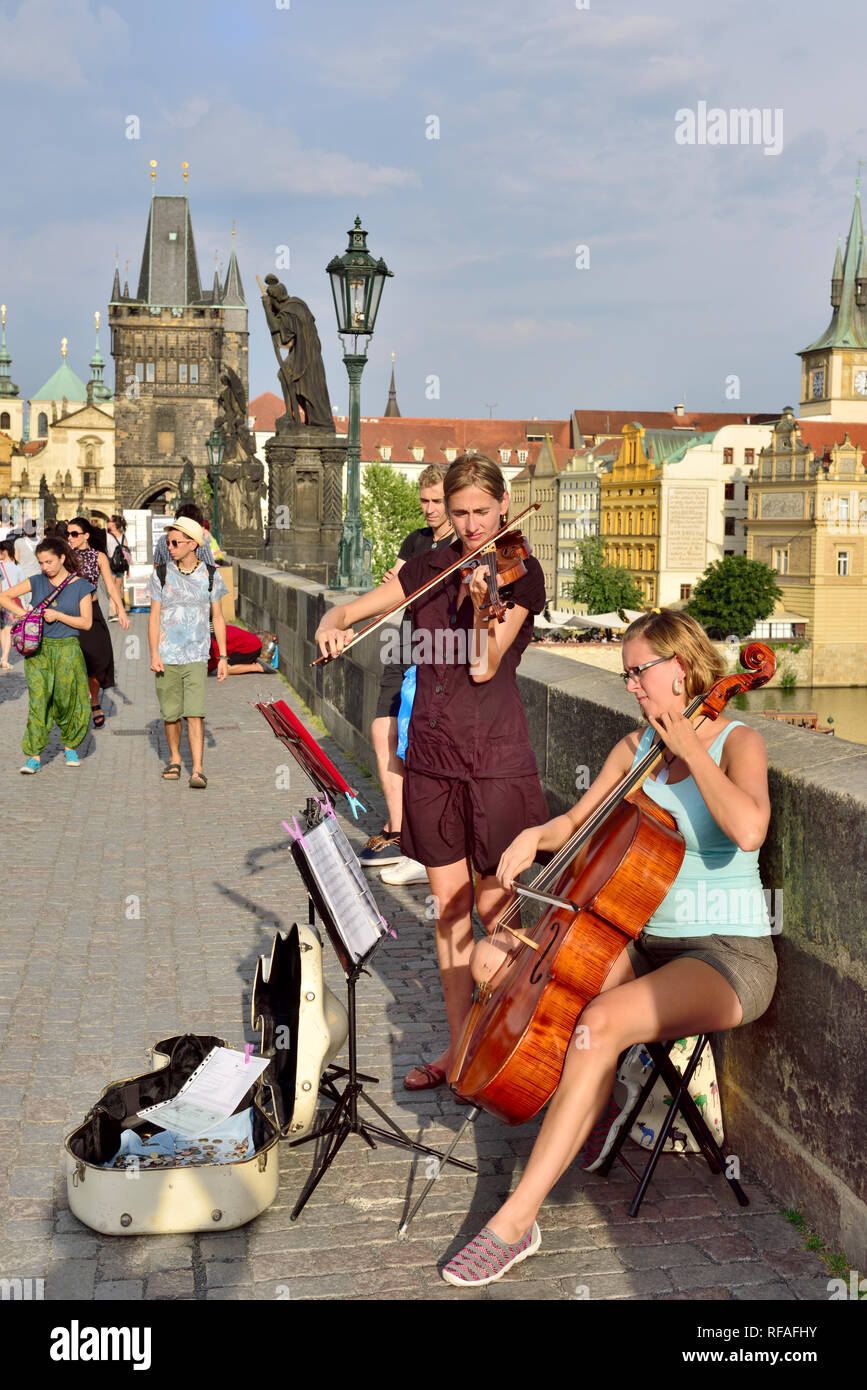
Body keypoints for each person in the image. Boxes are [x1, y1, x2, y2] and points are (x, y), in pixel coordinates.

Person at [439, 608, 778, 1287]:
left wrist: (687, 750)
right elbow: (576, 821)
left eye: (638, 673)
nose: (630, 687)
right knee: (492, 957)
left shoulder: (737, 742)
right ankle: (567, 1097)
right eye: (625, 676)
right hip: (640, 941)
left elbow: (747, 830)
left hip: (725, 955)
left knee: (597, 1024)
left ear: (679, 668)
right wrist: (532, 838)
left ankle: (515, 1219)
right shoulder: (631, 750)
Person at [315, 453, 549, 1092]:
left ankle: (523, 1043)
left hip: (495, 760)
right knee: (448, 910)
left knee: (499, 912)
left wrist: (480, 609)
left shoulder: (518, 575)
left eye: (482, 512)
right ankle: (461, 1048)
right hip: (432, 758)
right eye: (460, 512)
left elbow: (484, 665)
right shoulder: (425, 568)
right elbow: (348, 612)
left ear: (504, 506)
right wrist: (332, 626)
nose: (473, 526)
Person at [358, 463, 456, 886]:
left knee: (416, 737)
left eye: (437, 502)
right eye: (425, 501)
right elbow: (396, 590)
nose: (430, 509)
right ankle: (398, 829)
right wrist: (391, 585)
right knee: (383, 729)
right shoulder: (415, 540)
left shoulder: (461, 546)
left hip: (436, 648)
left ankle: (425, 841)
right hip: (405, 640)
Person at [148, 515, 229, 789]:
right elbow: (153, 617)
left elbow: (217, 617)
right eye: (167, 542)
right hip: (167, 655)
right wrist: (154, 655)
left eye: (174, 542)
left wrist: (224, 657)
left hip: (196, 655)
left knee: (195, 713)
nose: (169, 547)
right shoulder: (160, 574)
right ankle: (174, 759)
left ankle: (198, 768)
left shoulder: (210, 575)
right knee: (171, 714)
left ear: (192, 544)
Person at [0, 537, 93, 771]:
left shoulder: (81, 585)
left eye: (49, 562)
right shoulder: (37, 581)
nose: (45, 567)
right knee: (39, 701)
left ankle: (70, 746)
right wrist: (23, 614)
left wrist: (58, 615)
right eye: (41, 563)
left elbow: (86, 623)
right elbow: (3, 596)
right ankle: (34, 754)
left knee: (66, 700)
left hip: (68, 649)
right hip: (38, 650)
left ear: (62, 558)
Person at [66, 517, 130, 728]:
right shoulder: (65, 556)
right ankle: (82, 703)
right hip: (70, 614)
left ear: (86, 535)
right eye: (68, 534)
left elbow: (111, 587)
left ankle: (94, 699)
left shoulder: (98, 556)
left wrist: (120, 609)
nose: (70, 538)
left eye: (74, 534)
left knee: (97, 659)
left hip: (92, 613)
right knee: (76, 661)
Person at [153, 504, 218, 569]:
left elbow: (157, 564)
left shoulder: (162, 540)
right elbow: (210, 569)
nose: (170, 547)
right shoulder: (202, 542)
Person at [207, 623, 277, 676]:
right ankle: (250, 662)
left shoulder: (212, 644)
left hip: (249, 648)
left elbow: (218, 660)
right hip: (247, 644)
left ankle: (257, 667)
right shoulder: (212, 631)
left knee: (218, 670)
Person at [0, 539, 25, 668]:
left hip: (1, 600)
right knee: (8, 631)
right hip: (12, 602)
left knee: (3, 630)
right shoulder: (18, 566)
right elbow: (23, 585)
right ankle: (4, 658)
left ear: (4, 551)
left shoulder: (0, 565)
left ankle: (3, 657)